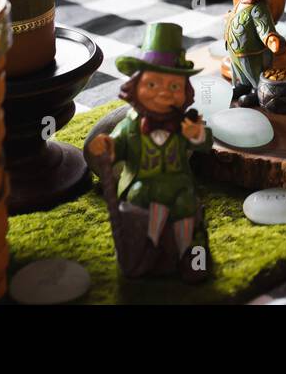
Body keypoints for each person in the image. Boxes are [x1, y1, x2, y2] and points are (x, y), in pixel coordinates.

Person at [89, 22, 211, 281]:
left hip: (179, 184)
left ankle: (187, 254)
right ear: (135, 87)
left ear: (185, 92)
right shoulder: (130, 125)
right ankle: (149, 250)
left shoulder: (183, 123)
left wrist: (197, 135)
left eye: (174, 87)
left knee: (186, 203)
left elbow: (205, 144)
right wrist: (107, 148)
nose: (164, 93)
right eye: (152, 85)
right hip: (142, 183)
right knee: (139, 197)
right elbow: (117, 147)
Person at [224, 0, 286, 107]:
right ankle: (243, 85)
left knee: (254, 72)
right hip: (235, 51)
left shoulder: (258, 9)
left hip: (252, 53)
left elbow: (264, 27)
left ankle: (256, 90)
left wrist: (270, 38)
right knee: (238, 69)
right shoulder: (241, 4)